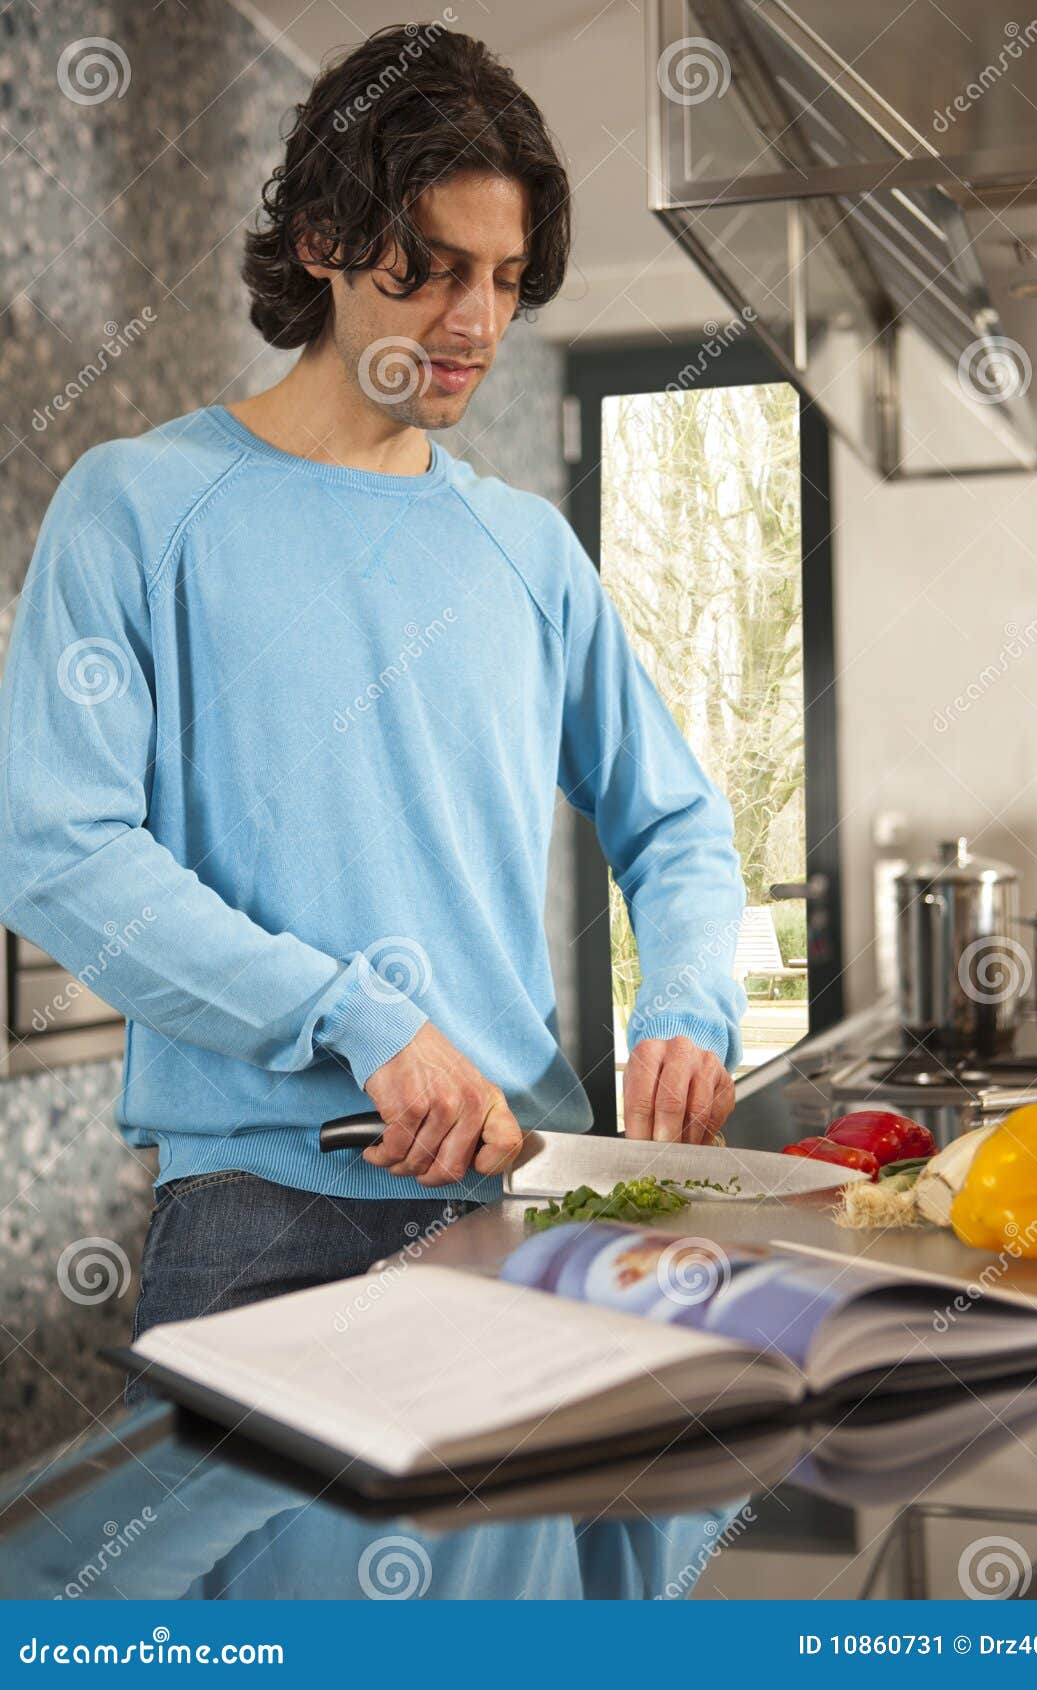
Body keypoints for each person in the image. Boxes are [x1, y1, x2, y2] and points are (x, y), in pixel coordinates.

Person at [0, 25, 747, 1407]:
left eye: (507, 281)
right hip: (260, 1233)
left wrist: (690, 1004)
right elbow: (56, 853)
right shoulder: (140, 507)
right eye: (437, 269)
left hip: (526, 1207)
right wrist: (354, 1017)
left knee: (531, 1626)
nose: (475, 323)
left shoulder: (529, 553)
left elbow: (678, 820)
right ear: (325, 239)